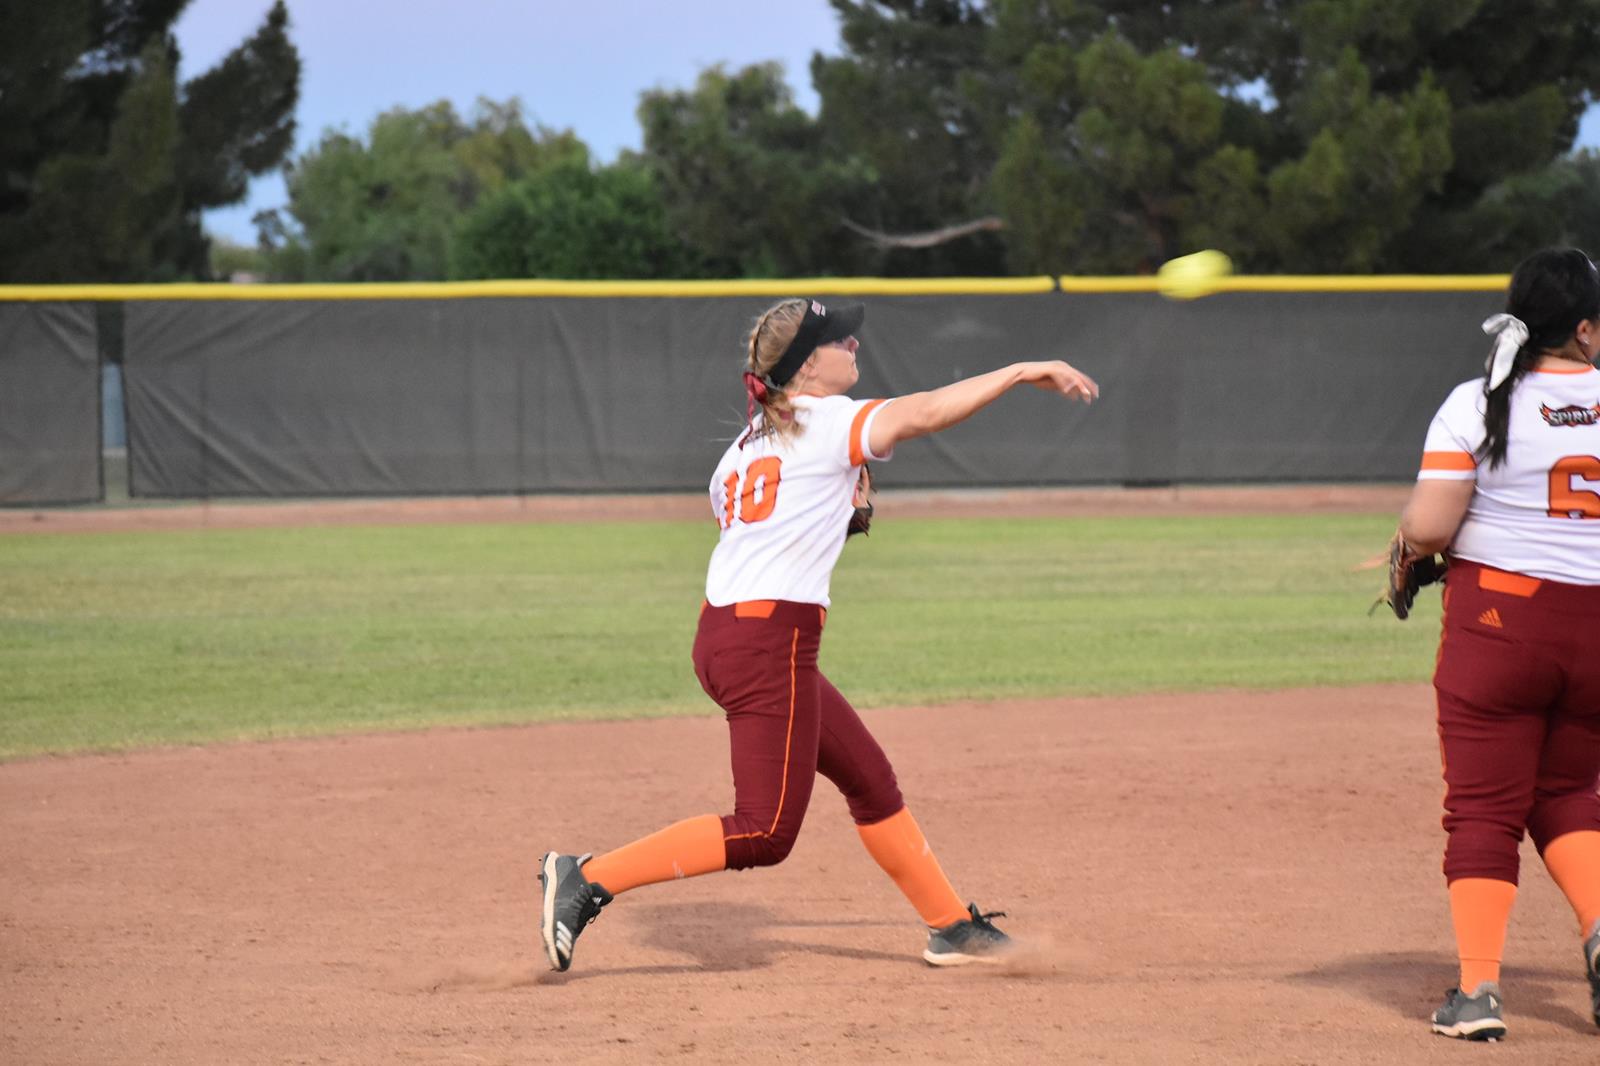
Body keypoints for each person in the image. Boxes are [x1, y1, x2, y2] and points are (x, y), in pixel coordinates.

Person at [536, 297, 1099, 973]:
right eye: (838, 339)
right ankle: (587, 877)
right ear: (806, 365)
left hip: (731, 635)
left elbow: (759, 529)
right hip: (766, 644)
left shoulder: (741, 451)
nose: (853, 345)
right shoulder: (829, 421)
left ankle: (951, 927)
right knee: (765, 830)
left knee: (870, 781)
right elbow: (924, 412)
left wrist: (837, 515)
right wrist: (1020, 371)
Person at [1393, 248, 1600, 1041]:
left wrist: (1406, 545)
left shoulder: (1479, 402)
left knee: (1484, 808)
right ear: (1583, 330)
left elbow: (1430, 527)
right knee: (1568, 789)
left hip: (1501, 627)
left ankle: (1478, 993)